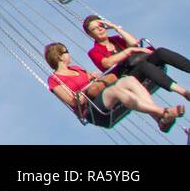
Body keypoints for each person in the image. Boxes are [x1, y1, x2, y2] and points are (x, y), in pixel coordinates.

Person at [44, 42, 182, 132]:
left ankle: (159, 119)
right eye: (66, 51)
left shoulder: (77, 69)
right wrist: (88, 88)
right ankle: (162, 112)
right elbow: (75, 101)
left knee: (129, 80)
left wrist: (95, 78)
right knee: (115, 90)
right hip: (92, 111)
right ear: (60, 57)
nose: (69, 53)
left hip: (102, 98)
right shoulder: (54, 80)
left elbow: (96, 84)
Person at [83, 15, 190, 103]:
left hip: (139, 62)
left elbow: (133, 43)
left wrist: (116, 28)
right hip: (127, 75)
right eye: (94, 29)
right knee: (144, 66)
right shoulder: (94, 51)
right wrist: (128, 51)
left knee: (161, 52)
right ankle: (184, 92)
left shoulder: (115, 40)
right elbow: (107, 63)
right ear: (90, 34)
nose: (100, 29)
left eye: (101, 26)